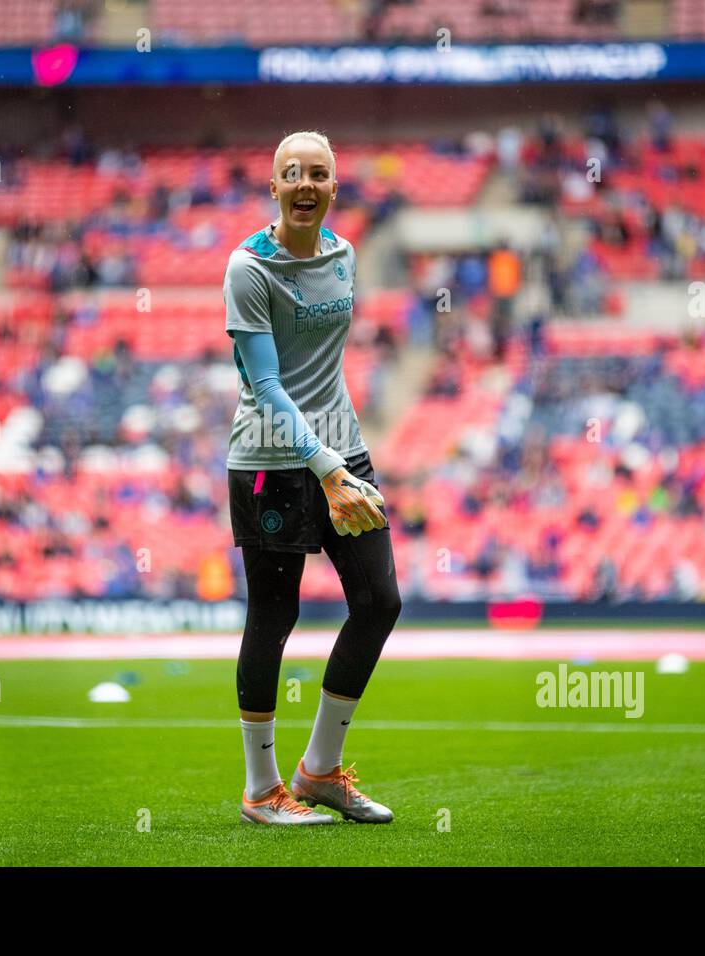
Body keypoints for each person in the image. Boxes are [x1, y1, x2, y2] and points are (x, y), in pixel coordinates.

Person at [224, 131, 402, 826]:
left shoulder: (344, 255)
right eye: (290, 173)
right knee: (275, 616)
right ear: (273, 187)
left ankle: (320, 770)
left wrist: (345, 456)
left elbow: (324, 370)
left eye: (318, 174)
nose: (304, 183)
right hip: (271, 462)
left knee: (379, 600)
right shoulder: (248, 267)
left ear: (333, 188)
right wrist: (325, 467)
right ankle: (262, 789)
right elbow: (266, 386)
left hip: (340, 453)